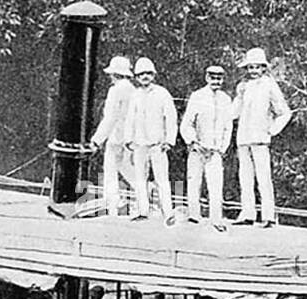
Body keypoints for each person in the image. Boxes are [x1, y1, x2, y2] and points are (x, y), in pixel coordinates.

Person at [232, 48, 291, 227]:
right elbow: (234, 112)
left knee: (263, 178)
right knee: (245, 177)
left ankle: (268, 216)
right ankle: (247, 214)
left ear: (264, 68)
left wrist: (271, 130)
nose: (253, 71)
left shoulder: (269, 85)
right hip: (243, 138)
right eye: (250, 67)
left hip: (260, 138)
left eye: (257, 67)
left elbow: (284, 112)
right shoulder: (243, 86)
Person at [179, 64, 234, 230]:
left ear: (223, 80)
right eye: (213, 77)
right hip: (197, 148)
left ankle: (216, 219)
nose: (216, 81)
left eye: (219, 78)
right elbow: (186, 124)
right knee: (194, 181)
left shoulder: (226, 99)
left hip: (215, 151)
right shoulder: (197, 96)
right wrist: (193, 142)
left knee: (215, 184)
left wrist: (221, 148)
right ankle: (194, 216)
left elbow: (228, 126)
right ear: (206, 78)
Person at [123, 57, 177, 222]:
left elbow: (171, 117)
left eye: (148, 73)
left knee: (161, 179)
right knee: (140, 178)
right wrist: (128, 139)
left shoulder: (162, 93)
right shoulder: (136, 95)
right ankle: (142, 211)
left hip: (157, 144)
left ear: (153, 75)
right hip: (140, 144)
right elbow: (130, 117)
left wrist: (169, 140)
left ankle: (168, 213)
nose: (145, 77)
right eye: (141, 74)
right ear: (137, 77)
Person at [90, 56, 136, 216]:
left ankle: (112, 207)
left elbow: (110, 117)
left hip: (116, 137)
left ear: (114, 74)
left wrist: (96, 141)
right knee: (127, 169)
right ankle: (145, 194)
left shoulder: (116, 90)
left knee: (110, 171)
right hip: (130, 138)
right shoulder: (132, 90)